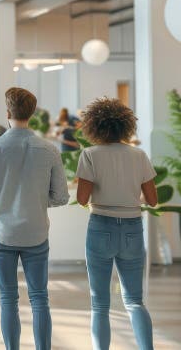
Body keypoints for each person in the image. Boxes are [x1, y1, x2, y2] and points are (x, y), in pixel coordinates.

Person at [0, 87, 70, 350]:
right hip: (36, 233)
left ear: (7, 113)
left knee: (8, 298)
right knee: (40, 299)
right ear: (33, 113)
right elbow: (61, 196)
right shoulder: (49, 149)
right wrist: (36, 199)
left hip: (2, 233)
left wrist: (4, 196)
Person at [75, 98, 157, 350]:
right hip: (133, 228)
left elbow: (82, 199)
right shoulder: (139, 155)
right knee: (134, 301)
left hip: (101, 227)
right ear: (125, 126)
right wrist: (130, 197)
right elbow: (152, 200)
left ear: (94, 126)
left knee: (100, 303)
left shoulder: (89, 155)